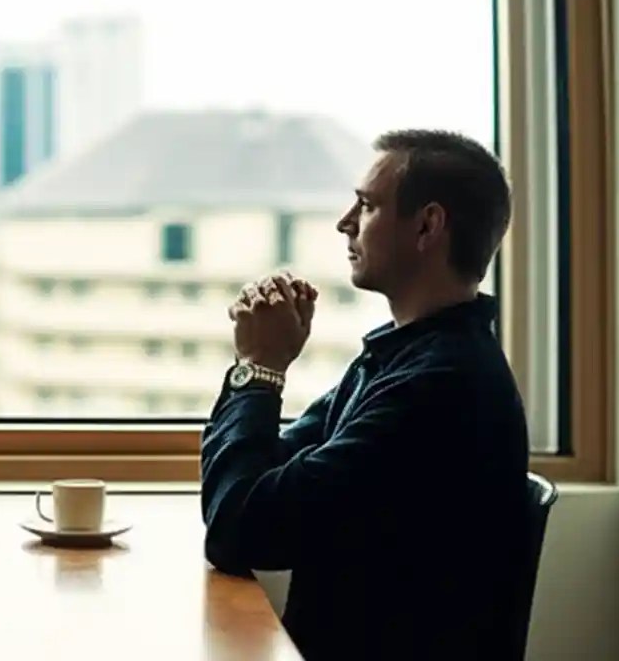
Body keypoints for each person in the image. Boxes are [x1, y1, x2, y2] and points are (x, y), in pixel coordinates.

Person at [200, 130, 530, 660]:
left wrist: (260, 368)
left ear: (427, 226)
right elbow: (250, 489)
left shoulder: (440, 387)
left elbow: (240, 532)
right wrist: (255, 371)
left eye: (368, 205)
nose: (344, 222)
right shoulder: (400, 360)